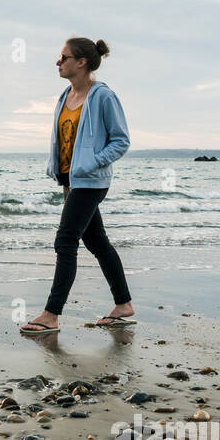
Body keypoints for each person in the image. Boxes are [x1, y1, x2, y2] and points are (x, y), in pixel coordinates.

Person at [20, 37, 135, 334]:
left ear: (81, 62)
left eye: (64, 57)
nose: (58, 62)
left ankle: (51, 314)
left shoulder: (103, 97)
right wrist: (58, 167)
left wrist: (92, 162)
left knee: (65, 240)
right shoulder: (65, 95)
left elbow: (121, 141)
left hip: (92, 181)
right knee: (97, 242)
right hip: (71, 180)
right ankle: (123, 305)